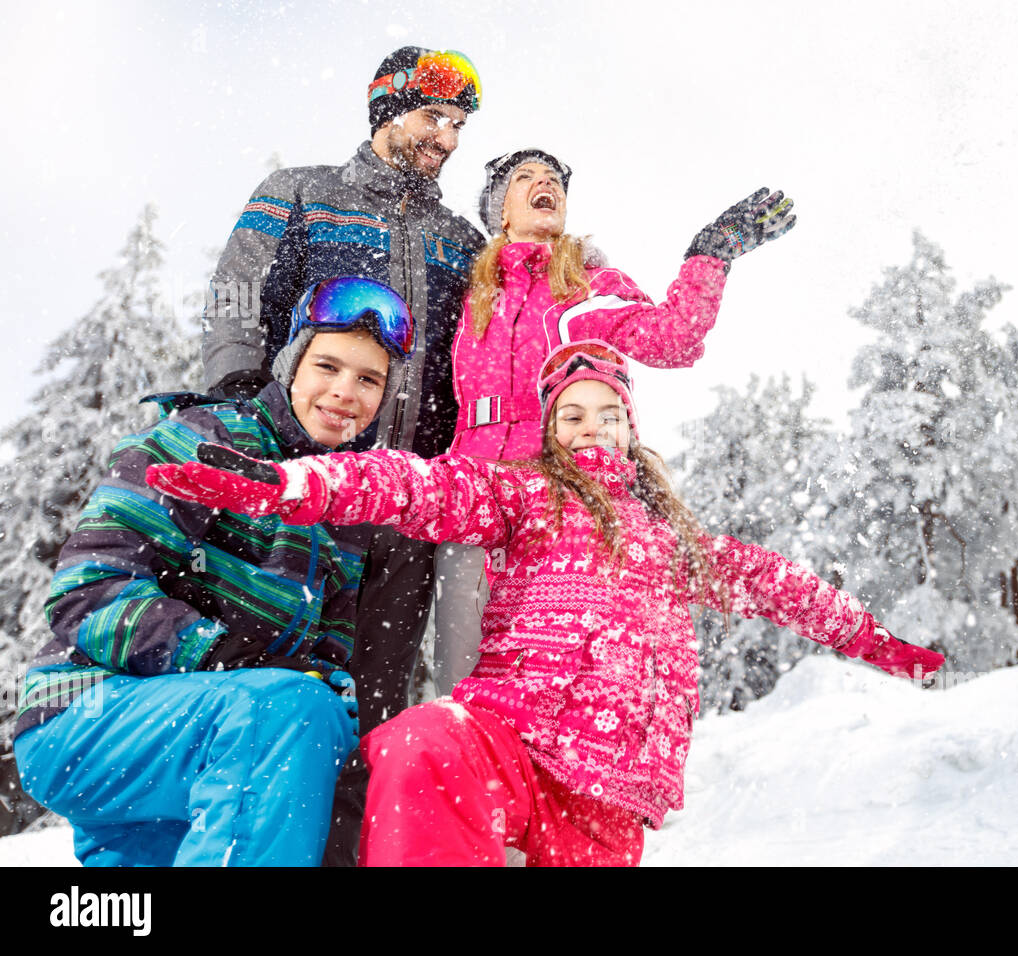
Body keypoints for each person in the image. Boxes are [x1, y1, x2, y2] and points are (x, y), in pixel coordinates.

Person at [146, 340, 945, 867]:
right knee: (421, 743)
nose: (591, 426)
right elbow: (414, 485)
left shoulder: (680, 545)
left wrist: (880, 643)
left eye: (608, 413)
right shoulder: (522, 495)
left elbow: (786, 588)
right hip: (508, 745)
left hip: (610, 795)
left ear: (631, 429)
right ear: (553, 434)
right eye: (572, 414)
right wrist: (294, 482)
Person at [14, 276, 415, 866]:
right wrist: (217, 651)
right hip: (91, 709)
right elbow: (88, 590)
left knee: (321, 716)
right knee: (290, 712)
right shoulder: (208, 441)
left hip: (202, 742)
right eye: (327, 367)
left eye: (368, 380)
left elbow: (325, 658)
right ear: (292, 366)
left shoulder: (342, 512)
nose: (343, 393)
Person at [200, 46, 485, 864]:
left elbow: (495, 341)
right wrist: (238, 420)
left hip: (404, 510)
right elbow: (235, 297)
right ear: (387, 109)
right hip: (302, 492)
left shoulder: (459, 241)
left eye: (460, 126)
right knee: (279, 693)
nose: (448, 139)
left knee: (377, 711)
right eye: (435, 117)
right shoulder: (299, 195)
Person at [429, 147, 797, 698]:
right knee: (460, 673)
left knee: (549, 672)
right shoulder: (469, 293)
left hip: (560, 505)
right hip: (471, 500)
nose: (542, 183)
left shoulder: (589, 288)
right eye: (524, 178)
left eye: (552, 178)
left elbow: (675, 338)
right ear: (498, 211)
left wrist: (709, 256)